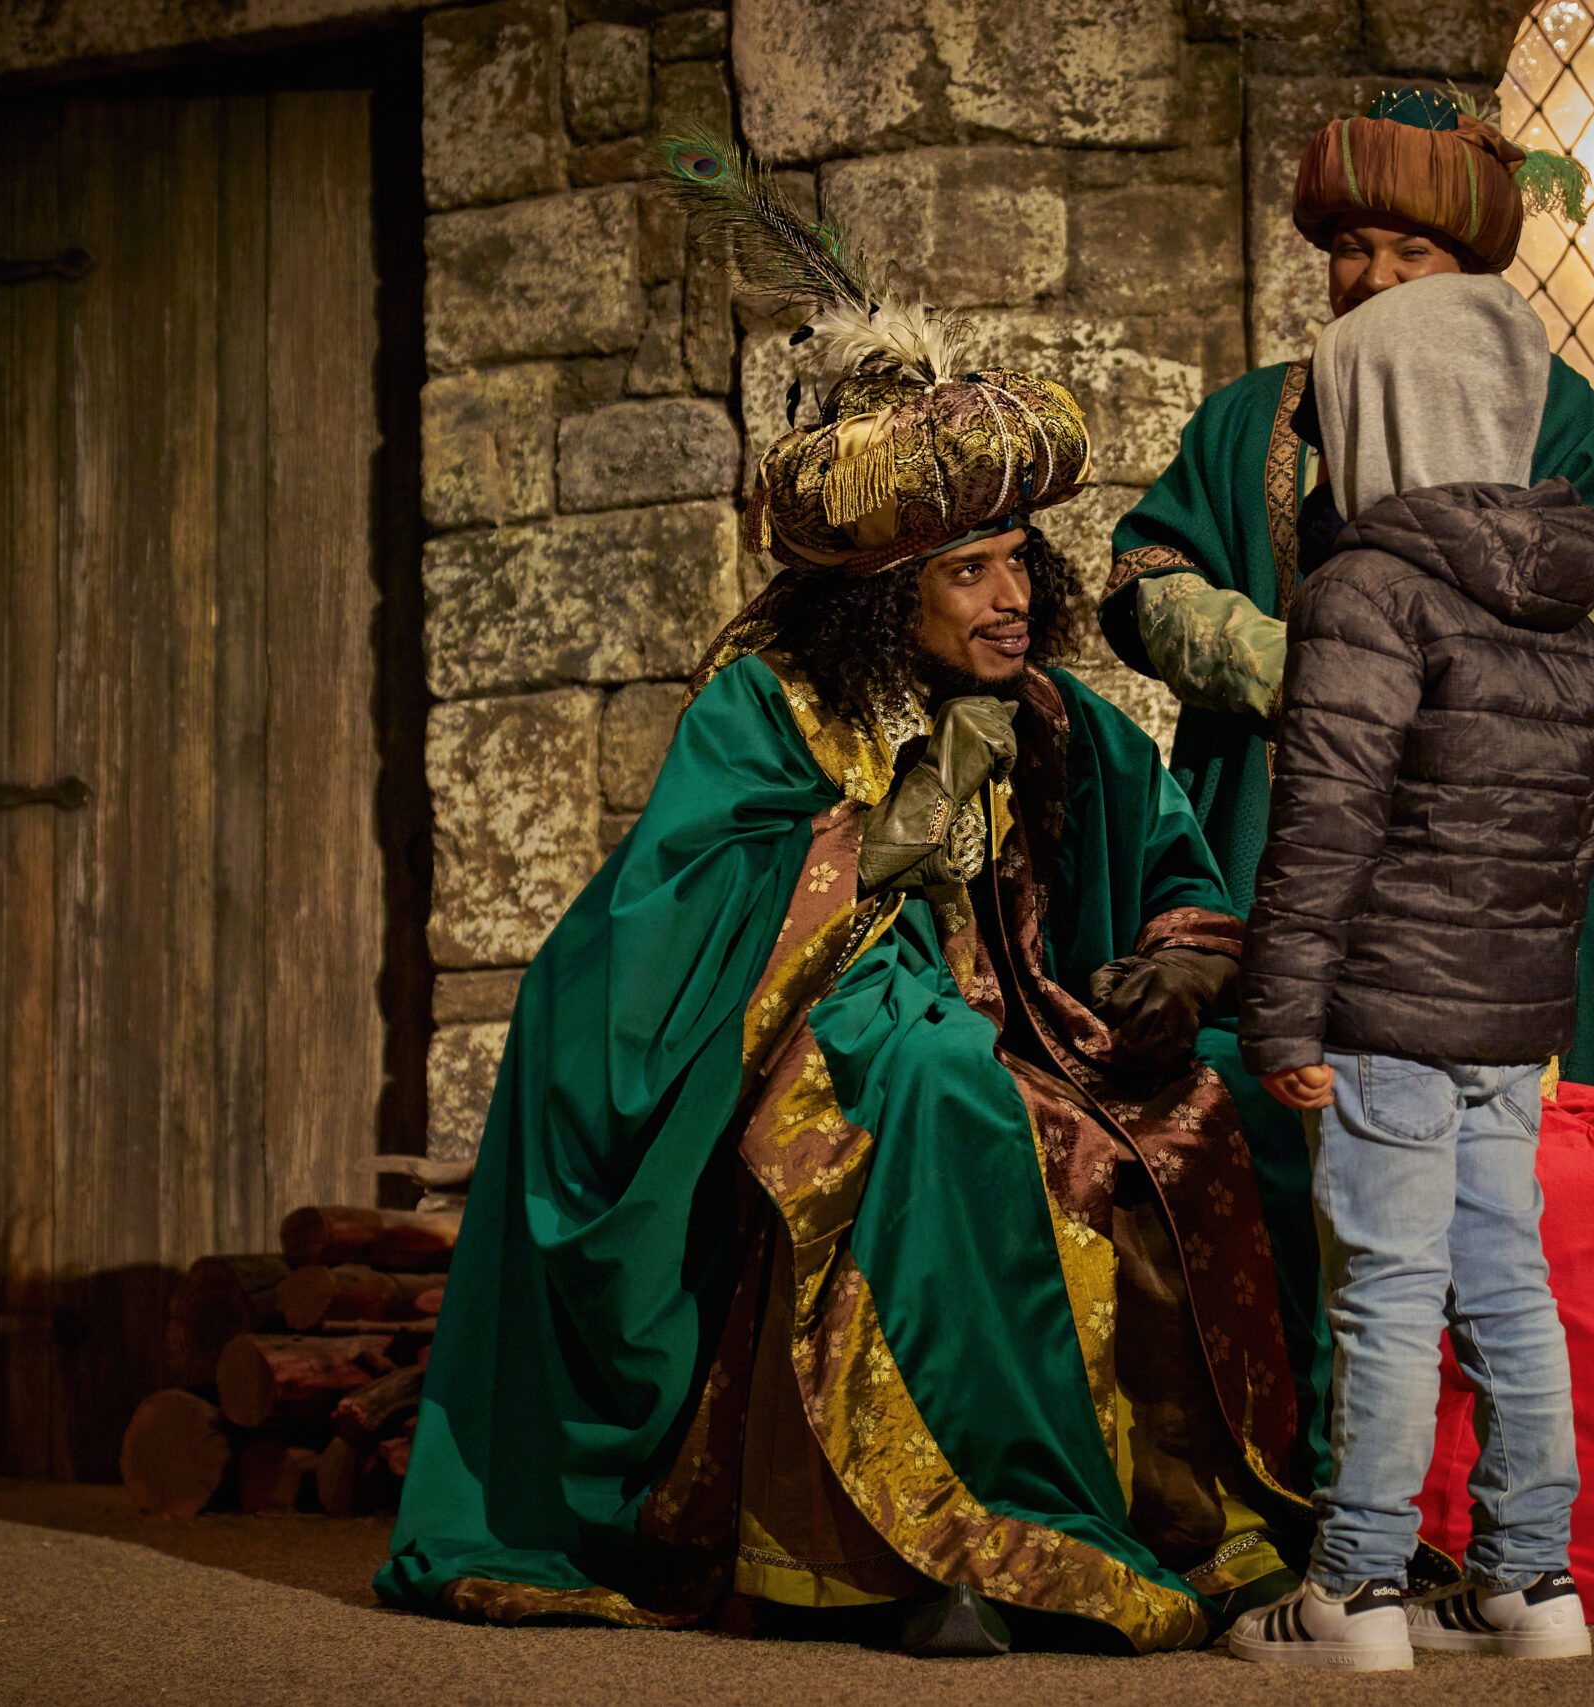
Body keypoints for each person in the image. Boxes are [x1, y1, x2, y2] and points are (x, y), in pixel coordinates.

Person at [376, 138, 1320, 1655]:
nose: (1014, 598)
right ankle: (918, 1544)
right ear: (889, 594)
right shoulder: (772, 707)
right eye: (970, 575)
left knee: (1204, 1115)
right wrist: (877, 844)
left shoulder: (1061, 718)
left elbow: (1180, 873)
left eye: (1021, 560)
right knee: (938, 1086)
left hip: (1049, 1033)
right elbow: (672, 916)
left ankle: (1204, 1517)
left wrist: (1184, 969)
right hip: (806, 1036)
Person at [1098, 87, 1594, 1090]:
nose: (1376, 279)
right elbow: (1150, 576)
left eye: (1414, 253)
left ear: (1470, 270)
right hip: (1291, 836)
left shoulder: (1556, 415)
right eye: (1353, 248)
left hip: (1482, 845)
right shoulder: (1249, 421)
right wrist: (1283, 666)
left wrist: (1458, 686)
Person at [1225, 262, 1594, 1669]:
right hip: (1509, 1015)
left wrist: (1281, 1010)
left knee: (1386, 1289)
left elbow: (1323, 814)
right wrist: (1535, 1003)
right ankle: (1531, 1581)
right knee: (1507, 1282)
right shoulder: (1569, 601)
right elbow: (1572, 833)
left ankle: (1357, 1589)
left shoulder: (1368, 586)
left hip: (1386, 1004)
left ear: (1378, 413)